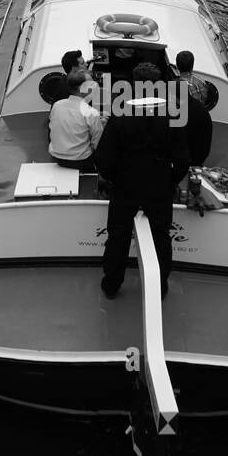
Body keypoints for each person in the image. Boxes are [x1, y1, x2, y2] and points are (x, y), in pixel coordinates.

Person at [95, 63, 191, 299]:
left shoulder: (119, 117)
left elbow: (104, 159)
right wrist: (170, 181)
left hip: (125, 186)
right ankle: (160, 287)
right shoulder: (173, 116)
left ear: (133, 85)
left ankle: (112, 284)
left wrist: (114, 179)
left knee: (118, 236)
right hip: (159, 186)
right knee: (161, 237)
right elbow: (182, 159)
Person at [48, 69, 105, 171]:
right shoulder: (91, 113)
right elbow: (97, 144)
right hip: (80, 161)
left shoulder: (57, 105)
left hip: (56, 157)